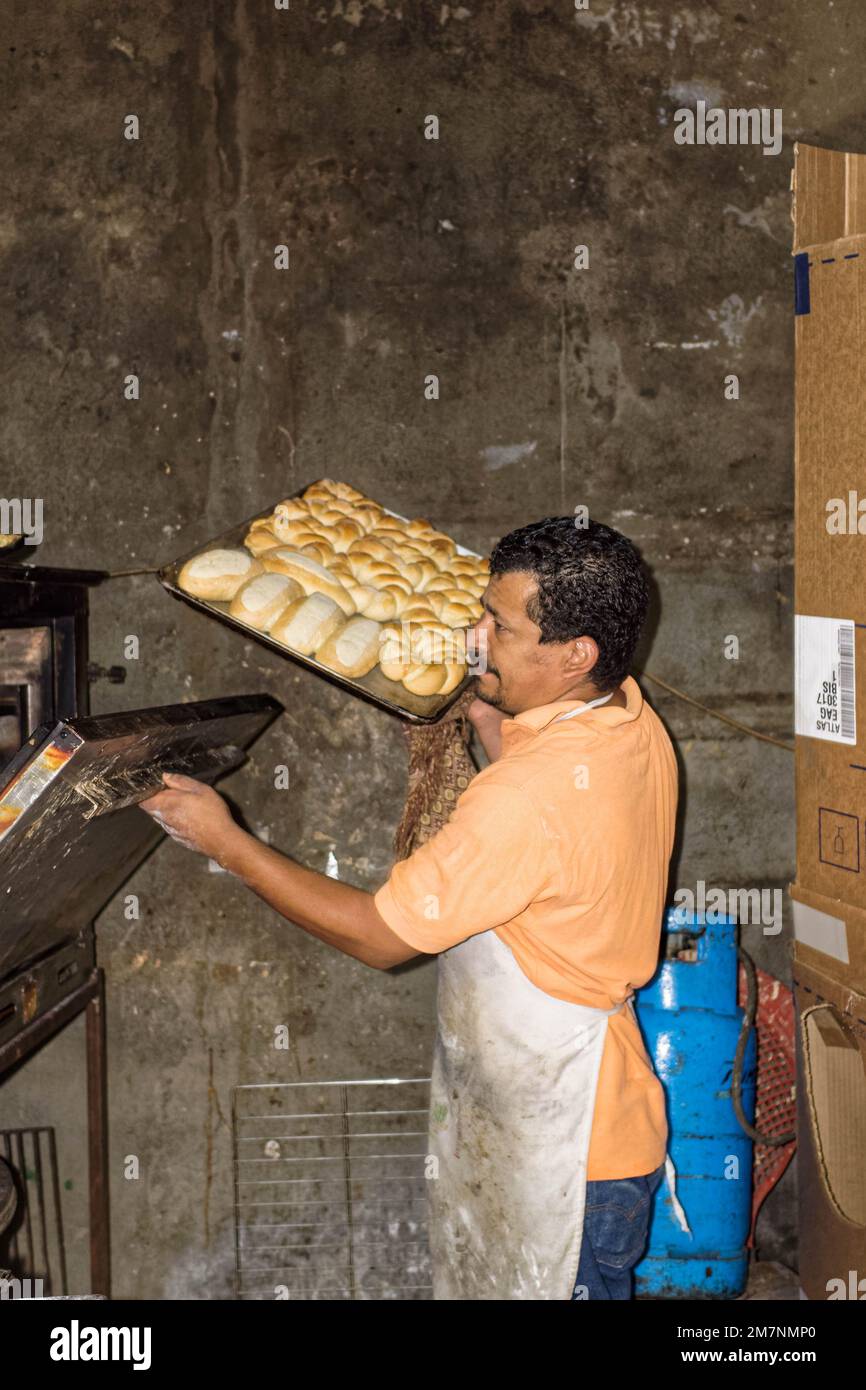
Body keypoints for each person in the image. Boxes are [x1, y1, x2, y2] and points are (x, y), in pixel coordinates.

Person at [141, 515, 678, 1300]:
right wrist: (486, 717)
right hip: (592, 1123)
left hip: (565, 1153)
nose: (474, 635)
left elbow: (379, 937)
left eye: (498, 624)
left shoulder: (526, 801)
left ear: (574, 654)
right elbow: (560, 813)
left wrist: (224, 840)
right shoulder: (626, 718)